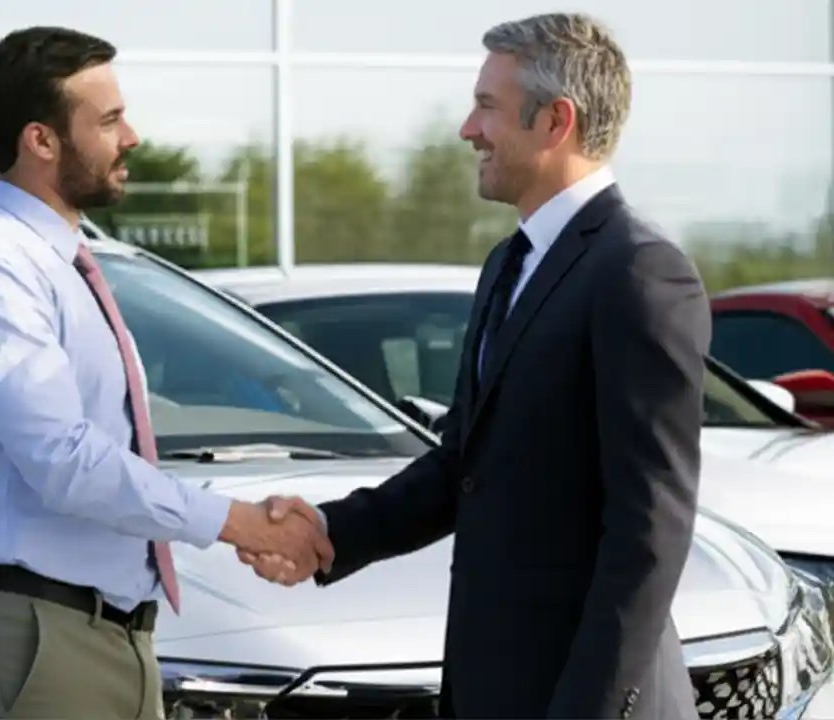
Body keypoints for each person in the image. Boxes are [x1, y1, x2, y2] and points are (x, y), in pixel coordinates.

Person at [246, 12, 710, 720]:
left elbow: (650, 530)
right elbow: (466, 462)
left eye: (486, 107)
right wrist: (331, 534)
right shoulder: (507, 266)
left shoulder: (639, 272)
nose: (469, 129)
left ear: (556, 121)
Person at [0, 26, 332, 720]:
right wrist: (239, 523)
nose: (130, 136)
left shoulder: (61, 264)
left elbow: (112, 441)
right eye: (108, 120)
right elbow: (64, 460)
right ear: (41, 141)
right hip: (37, 641)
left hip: (110, 636)